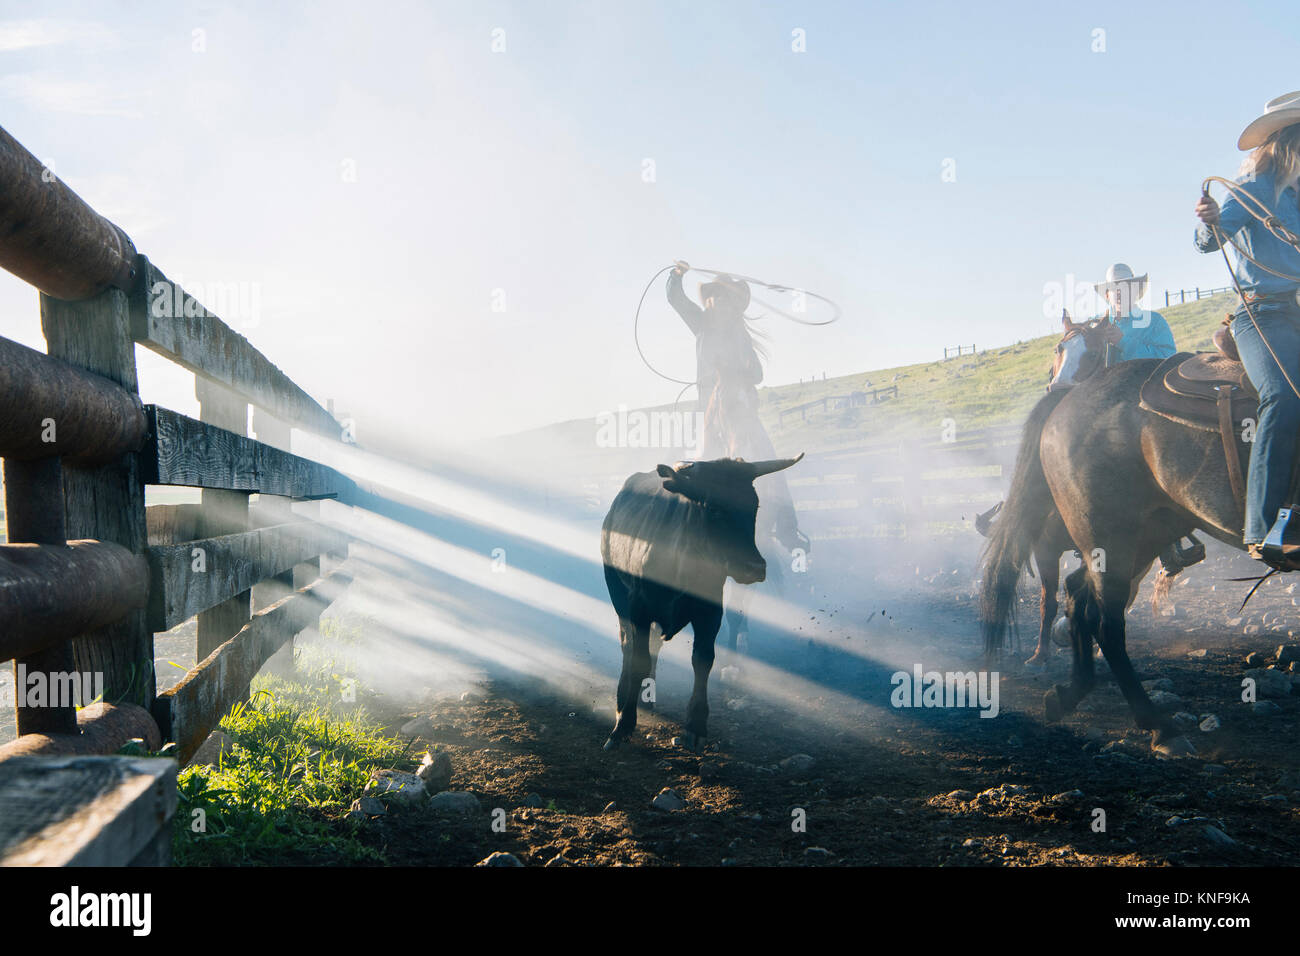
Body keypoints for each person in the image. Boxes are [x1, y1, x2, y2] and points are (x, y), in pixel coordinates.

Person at [1194, 91, 1300, 567]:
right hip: (1263, 313)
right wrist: (1209, 223)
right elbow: (1209, 240)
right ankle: (1265, 526)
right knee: (1283, 394)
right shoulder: (1253, 188)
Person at [666, 260, 808, 555]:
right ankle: (684, 528)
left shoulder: (739, 335)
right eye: (714, 295)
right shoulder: (701, 323)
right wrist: (676, 275)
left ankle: (786, 529)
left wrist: (736, 373)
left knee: (770, 460)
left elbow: (757, 373)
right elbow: (675, 300)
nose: (716, 301)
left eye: (723, 296)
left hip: (742, 412)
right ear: (709, 299)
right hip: (708, 409)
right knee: (695, 465)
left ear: (731, 303)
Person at [1092, 263, 1177, 364]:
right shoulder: (1094, 324)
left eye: (1126, 287)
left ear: (1135, 291)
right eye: (1115, 288)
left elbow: (1168, 359)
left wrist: (1123, 342)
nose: (1121, 292)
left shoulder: (1154, 322)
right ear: (1107, 295)